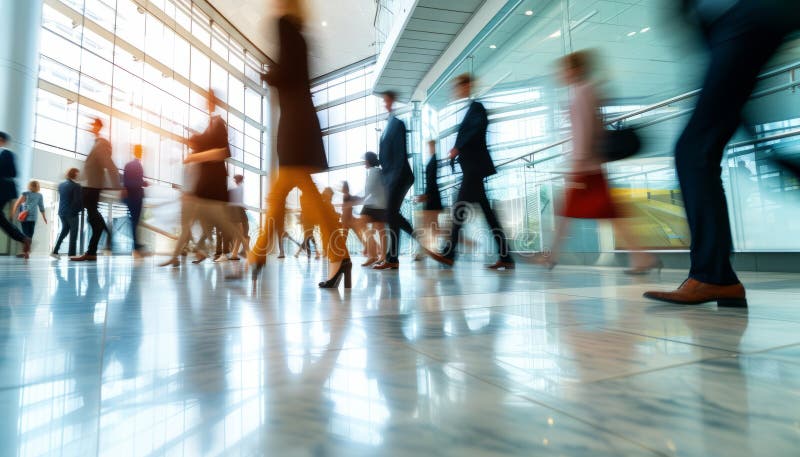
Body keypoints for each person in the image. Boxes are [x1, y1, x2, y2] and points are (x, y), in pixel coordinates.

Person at [645, 0, 800, 307]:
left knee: (694, 150)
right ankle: (715, 276)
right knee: (702, 147)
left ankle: (714, 276)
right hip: (740, 22)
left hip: (742, 18)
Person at [250, 0, 351, 289]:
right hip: (300, 123)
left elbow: (287, 74)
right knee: (285, 194)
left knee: (288, 194)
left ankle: (258, 256)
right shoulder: (300, 34)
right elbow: (296, 74)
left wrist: (268, 75)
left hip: (294, 126)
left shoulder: (284, 26)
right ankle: (257, 256)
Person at [536, 51, 659, 274]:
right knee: (597, 213)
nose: (561, 74)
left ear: (575, 70)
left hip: (585, 167)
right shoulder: (587, 90)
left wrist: (577, 162)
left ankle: (551, 256)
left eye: (564, 69)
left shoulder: (582, 92)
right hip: (590, 165)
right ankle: (642, 257)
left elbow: (584, 131)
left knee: (569, 213)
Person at [429, 74, 515, 270]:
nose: (456, 91)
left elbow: (475, 130)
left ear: (467, 86)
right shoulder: (472, 108)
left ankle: (450, 253)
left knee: (459, 208)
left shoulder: (477, 108)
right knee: (488, 214)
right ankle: (506, 257)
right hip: (471, 168)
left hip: (474, 168)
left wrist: (458, 147)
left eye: (459, 87)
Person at [160, 90, 247, 269]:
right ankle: (188, 253)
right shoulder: (209, 129)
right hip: (202, 193)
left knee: (222, 225)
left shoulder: (217, 124)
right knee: (197, 226)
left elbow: (222, 152)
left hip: (210, 192)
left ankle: (243, 250)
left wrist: (194, 158)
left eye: (209, 99)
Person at [374, 90, 417, 270]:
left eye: (387, 100)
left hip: (400, 176)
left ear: (392, 101)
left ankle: (395, 255)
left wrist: (393, 180)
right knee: (392, 214)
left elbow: (400, 154)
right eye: (384, 101)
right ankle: (393, 258)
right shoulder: (387, 126)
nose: (385, 103)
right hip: (391, 177)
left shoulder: (397, 124)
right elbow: (385, 158)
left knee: (391, 213)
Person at [72, 118, 121, 262]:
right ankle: (92, 252)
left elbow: (109, 165)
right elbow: (91, 167)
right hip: (90, 186)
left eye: (93, 124)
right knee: (93, 218)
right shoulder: (97, 143)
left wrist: (117, 185)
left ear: (98, 126)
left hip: (92, 187)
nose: (91, 127)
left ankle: (107, 235)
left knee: (93, 217)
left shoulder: (101, 144)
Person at [0, 132, 31, 258]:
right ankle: (23, 238)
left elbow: (14, 173)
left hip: (4, 190)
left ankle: (23, 238)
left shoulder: (7, 154)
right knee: (1, 219)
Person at [415, 140, 444, 254]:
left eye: (430, 146)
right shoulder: (433, 160)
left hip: (432, 197)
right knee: (432, 225)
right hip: (432, 196)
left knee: (428, 224)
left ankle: (425, 250)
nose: (428, 148)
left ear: (433, 146)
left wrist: (426, 195)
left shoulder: (433, 160)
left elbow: (431, 181)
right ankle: (432, 249)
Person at [360, 152, 388, 267]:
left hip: (375, 205)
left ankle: (374, 255)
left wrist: (357, 199)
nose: (363, 162)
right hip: (378, 204)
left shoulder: (374, 172)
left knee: (369, 226)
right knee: (380, 230)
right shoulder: (377, 171)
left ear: (368, 161)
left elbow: (369, 190)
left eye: (364, 160)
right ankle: (379, 255)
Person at [123, 144, 147, 258]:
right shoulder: (135, 165)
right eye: (140, 151)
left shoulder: (129, 165)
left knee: (135, 222)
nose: (141, 153)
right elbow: (130, 182)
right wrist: (143, 183)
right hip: (135, 197)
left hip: (132, 197)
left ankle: (136, 246)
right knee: (135, 222)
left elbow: (126, 181)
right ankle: (136, 247)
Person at [52, 168, 82, 258]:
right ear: (75, 174)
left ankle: (55, 251)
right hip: (71, 213)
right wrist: (79, 209)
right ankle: (72, 255)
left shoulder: (61, 185)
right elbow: (77, 201)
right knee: (73, 233)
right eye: (78, 174)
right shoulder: (76, 186)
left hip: (62, 212)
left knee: (64, 231)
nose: (79, 176)